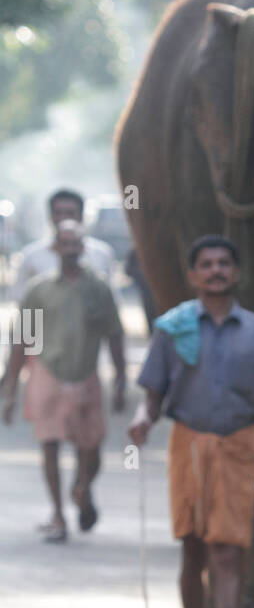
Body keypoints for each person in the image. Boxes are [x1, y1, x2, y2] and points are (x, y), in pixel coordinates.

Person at [129, 235, 254, 608]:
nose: (216, 270)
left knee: (227, 550)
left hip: (239, 448)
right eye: (206, 264)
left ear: (235, 273)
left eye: (224, 263)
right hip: (188, 446)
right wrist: (142, 421)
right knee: (193, 549)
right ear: (193, 275)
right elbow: (152, 397)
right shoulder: (172, 327)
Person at [2, 221, 126, 542]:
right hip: (47, 373)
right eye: (64, 244)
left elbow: (114, 335)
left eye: (76, 244)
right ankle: (58, 514)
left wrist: (122, 379)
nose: (71, 250)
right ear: (55, 249)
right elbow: (24, 340)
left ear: (83, 248)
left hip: (85, 376)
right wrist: (10, 389)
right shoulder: (39, 289)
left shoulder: (98, 288)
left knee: (91, 448)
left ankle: (82, 488)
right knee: (50, 446)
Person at [12, 189, 115, 299]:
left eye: (70, 213)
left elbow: (109, 304)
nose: (64, 218)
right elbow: (24, 303)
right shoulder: (32, 257)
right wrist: (38, 315)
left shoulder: (101, 255)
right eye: (58, 213)